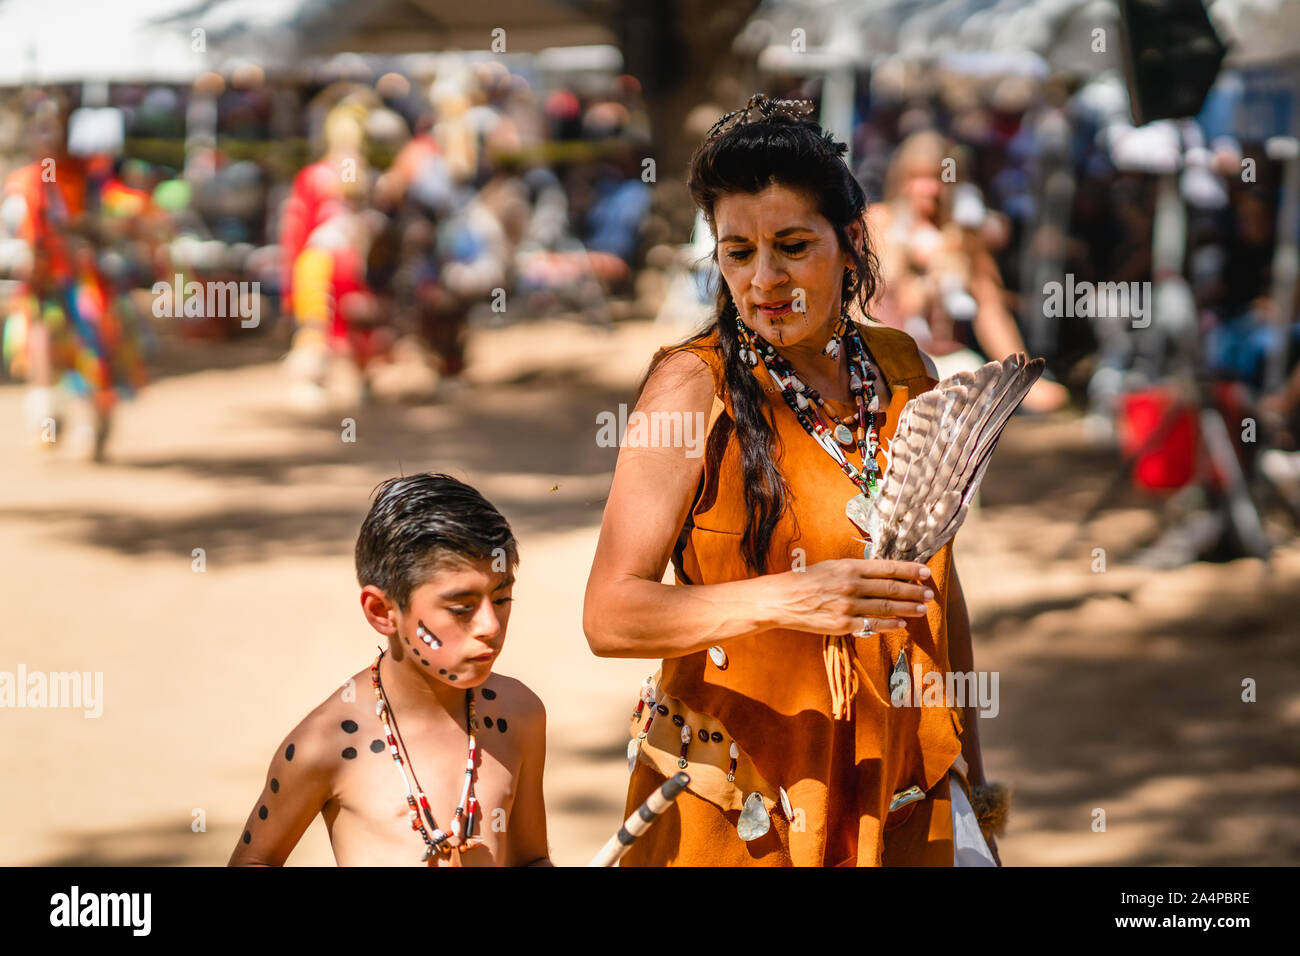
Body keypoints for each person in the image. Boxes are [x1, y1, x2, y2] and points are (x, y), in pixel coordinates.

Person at [584, 95, 1005, 866]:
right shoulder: (692, 385)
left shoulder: (902, 366)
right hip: (743, 806)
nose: (765, 279)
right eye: (738, 252)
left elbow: (938, 587)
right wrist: (794, 599)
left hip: (896, 779)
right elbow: (611, 614)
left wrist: (969, 773)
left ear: (850, 242)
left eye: (791, 245)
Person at [229, 473, 551, 867]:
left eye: (502, 598)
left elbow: (531, 858)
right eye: (461, 608)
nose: (490, 626)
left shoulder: (519, 714)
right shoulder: (327, 744)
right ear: (383, 612)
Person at [869, 129, 1068, 413]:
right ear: (901, 180)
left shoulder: (963, 239)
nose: (929, 189)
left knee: (971, 391)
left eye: (937, 178)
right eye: (918, 178)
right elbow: (852, 304)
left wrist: (1023, 378)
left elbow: (991, 310)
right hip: (881, 365)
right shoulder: (875, 225)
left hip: (943, 366)